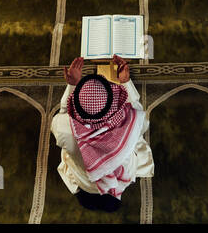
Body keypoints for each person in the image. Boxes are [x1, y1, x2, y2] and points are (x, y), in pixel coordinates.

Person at [50, 54, 154, 212]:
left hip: (86, 181)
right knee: (133, 138)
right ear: (112, 103)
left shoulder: (63, 126)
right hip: (120, 174)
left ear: (75, 102)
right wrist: (126, 81)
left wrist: (72, 84)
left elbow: (64, 111)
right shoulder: (130, 119)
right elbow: (137, 111)